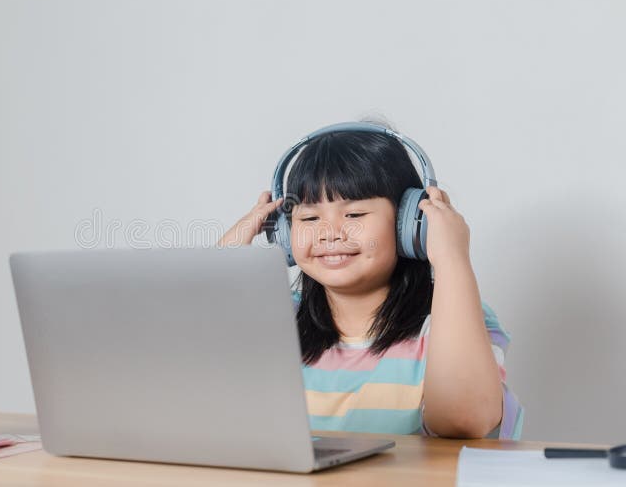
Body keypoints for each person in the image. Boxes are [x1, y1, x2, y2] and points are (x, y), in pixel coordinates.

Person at [217, 124, 524, 439]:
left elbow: (463, 419)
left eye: (354, 215)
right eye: (309, 218)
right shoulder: (279, 319)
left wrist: (451, 259)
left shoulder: (455, 320)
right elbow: (190, 363)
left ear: (409, 225)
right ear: (283, 232)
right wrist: (227, 260)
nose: (329, 232)